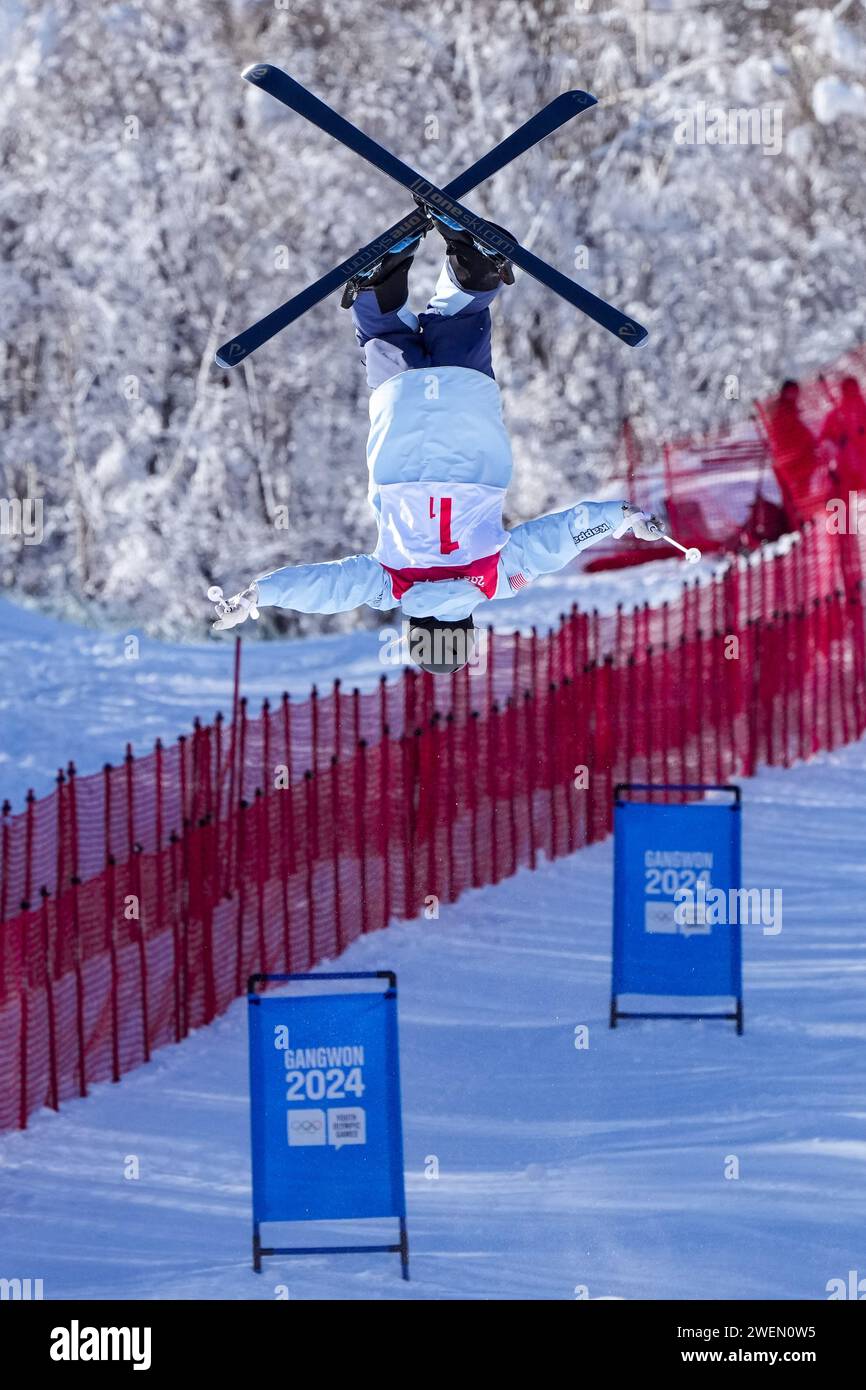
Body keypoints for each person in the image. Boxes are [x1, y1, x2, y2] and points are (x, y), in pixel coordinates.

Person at [211, 214, 661, 674]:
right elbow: (328, 588)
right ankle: (378, 282)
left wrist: (621, 518)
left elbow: (560, 537)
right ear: (413, 628)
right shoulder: (392, 583)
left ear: (467, 627)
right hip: (401, 421)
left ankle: (476, 265)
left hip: (468, 419)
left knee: (458, 318)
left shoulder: (496, 577)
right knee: (387, 338)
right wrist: (260, 594)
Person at [818, 375, 866, 497]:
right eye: (848, 389)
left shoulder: (863, 408)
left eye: (853, 388)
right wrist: (837, 440)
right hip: (849, 463)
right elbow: (824, 436)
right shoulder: (837, 413)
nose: (852, 391)